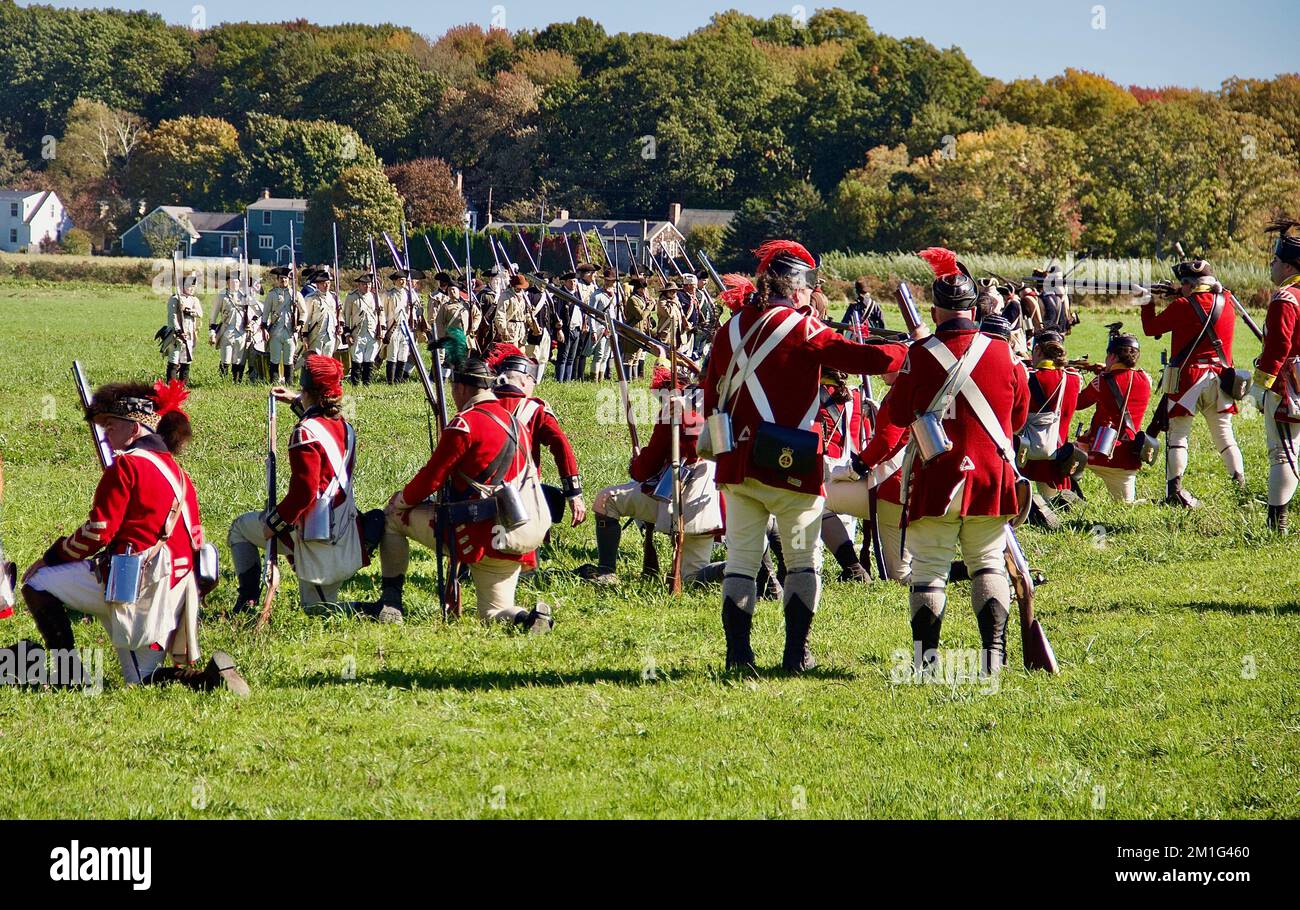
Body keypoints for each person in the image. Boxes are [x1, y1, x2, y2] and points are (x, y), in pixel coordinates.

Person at [703, 239, 909, 672]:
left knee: (740, 561)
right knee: (802, 561)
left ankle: (738, 655)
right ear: (797, 288)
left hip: (738, 462)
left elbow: (710, 396)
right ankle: (797, 654)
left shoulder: (732, 327)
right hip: (791, 467)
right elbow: (864, 359)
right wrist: (911, 349)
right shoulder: (805, 329)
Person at [854, 248, 1029, 675]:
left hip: (937, 477)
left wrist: (864, 462)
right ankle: (994, 657)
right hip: (991, 475)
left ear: (934, 311)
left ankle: (925, 664)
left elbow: (894, 416)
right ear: (973, 308)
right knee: (987, 561)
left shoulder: (919, 355)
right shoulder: (1005, 354)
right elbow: (1019, 415)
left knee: (929, 570)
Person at [16, 379, 248, 693]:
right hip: (177, 588)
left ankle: (68, 675)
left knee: (37, 584)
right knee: (139, 681)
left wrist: (51, 556)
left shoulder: (126, 467)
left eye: (111, 426)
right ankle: (209, 680)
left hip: (136, 583)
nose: (105, 435)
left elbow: (98, 532)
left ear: (135, 428)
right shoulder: (178, 473)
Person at [364, 357, 554, 631]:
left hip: (475, 532)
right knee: (493, 612)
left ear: (462, 389)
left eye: (454, 386)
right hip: (512, 534)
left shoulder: (464, 424)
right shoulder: (517, 424)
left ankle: (391, 602)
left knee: (392, 518)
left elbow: (431, 478)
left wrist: (401, 500)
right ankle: (528, 619)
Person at [228, 356, 382, 619]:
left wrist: (274, 524)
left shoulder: (304, 434)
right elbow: (321, 424)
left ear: (308, 388)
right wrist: (296, 400)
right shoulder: (346, 428)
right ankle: (370, 610)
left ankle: (247, 602)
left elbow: (304, 493)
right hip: (344, 529)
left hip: (314, 532)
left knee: (239, 529)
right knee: (317, 610)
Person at [579, 364, 723, 586]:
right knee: (693, 579)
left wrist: (637, 459)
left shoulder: (672, 409)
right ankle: (739, 568)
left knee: (606, 500)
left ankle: (607, 572)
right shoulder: (723, 403)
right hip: (716, 500)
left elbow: (645, 469)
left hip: (682, 494)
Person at [1141, 257, 1245, 507]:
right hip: (1220, 378)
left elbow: (1150, 328)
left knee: (1178, 435)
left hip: (1189, 379)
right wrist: (1178, 292)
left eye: (1183, 284)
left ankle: (1174, 491)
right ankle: (1240, 485)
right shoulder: (1227, 301)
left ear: (1189, 284)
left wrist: (1147, 300)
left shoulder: (1182, 306)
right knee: (1224, 435)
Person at [486, 343, 587, 529]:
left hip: (480, 500)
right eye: (533, 381)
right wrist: (574, 494)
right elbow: (561, 447)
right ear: (525, 381)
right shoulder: (535, 410)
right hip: (523, 501)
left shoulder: (478, 407)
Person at [1252, 221, 1300, 531]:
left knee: (1282, 454)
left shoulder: (1286, 298)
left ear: (1287, 265)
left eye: (1275, 259)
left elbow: (1279, 345)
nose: (1272, 264)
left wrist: (1261, 383)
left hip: (1288, 384)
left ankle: (1276, 524)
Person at [1075, 332, 1152, 503]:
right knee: (1126, 506)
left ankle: (1069, 501)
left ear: (1113, 356)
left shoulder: (1101, 381)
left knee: (1062, 460)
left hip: (1097, 453)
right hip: (1128, 459)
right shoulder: (1146, 379)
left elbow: (1078, 403)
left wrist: (1075, 379)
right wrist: (1107, 370)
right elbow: (1124, 377)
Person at [1017, 331, 1083, 502]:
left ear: (1037, 350)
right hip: (1060, 452)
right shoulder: (1074, 378)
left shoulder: (1027, 376)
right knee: (1054, 503)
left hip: (1030, 451)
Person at [265, 266, 305, 384]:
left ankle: (289, 382)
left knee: (289, 360)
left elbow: (304, 312)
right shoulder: (272, 294)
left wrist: (300, 324)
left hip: (290, 331)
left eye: (286, 279)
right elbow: (266, 312)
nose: (284, 281)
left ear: (289, 280)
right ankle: (274, 382)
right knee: (275, 359)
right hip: (275, 331)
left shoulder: (296, 295)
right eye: (281, 279)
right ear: (277, 280)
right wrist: (264, 328)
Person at [344, 272, 384, 386]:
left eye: (369, 284)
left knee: (369, 359)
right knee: (357, 359)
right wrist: (347, 334)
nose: (367, 287)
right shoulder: (351, 297)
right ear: (359, 285)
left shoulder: (375, 297)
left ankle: (367, 383)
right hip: (357, 333)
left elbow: (381, 315)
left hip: (372, 333)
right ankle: (355, 383)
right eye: (364, 284)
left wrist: (382, 331)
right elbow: (346, 316)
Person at [163, 271, 203, 383]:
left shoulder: (194, 300)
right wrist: (179, 331)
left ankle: (183, 385)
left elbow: (200, 313)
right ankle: (171, 386)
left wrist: (187, 310)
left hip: (189, 334)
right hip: (176, 335)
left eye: (193, 287)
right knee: (174, 361)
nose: (191, 289)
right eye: (188, 286)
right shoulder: (175, 299)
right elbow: (172, 317)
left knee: (186, 361)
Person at [210, 274, 251, 382]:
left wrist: (250, 323)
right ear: (227, 283)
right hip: (226, 330)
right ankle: (222, 381)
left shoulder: (244, 296)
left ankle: (236, 381)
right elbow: (213, 315)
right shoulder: (222, 295)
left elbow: (256, 311)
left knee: (237, 360)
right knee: (226, 359)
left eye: (236, 281)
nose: (234, 284)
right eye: (232, 281)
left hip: (241, 331)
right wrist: (212, 332)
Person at [382, 269, 416, 384]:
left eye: (404, 280)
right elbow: (383, 313)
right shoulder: (389, 294)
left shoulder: (409, 294)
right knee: (392, 355)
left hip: (405, 328)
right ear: (395, 281)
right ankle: (390, 381)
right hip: (393, 327)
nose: (403, 282)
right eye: (400, 280)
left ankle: (398, 380)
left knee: (403, 355)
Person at [301, 267, 339, 359]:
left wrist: (339, 326)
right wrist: (305, 336)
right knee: (316, 363)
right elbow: (306, 318)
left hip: (331, 334)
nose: (326, 286)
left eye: (328, 283)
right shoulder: (311, 298)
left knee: (327, 363)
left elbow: (338, 314)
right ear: (317, 285)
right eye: (323, 283)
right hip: (316, 335)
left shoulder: (334, 297)